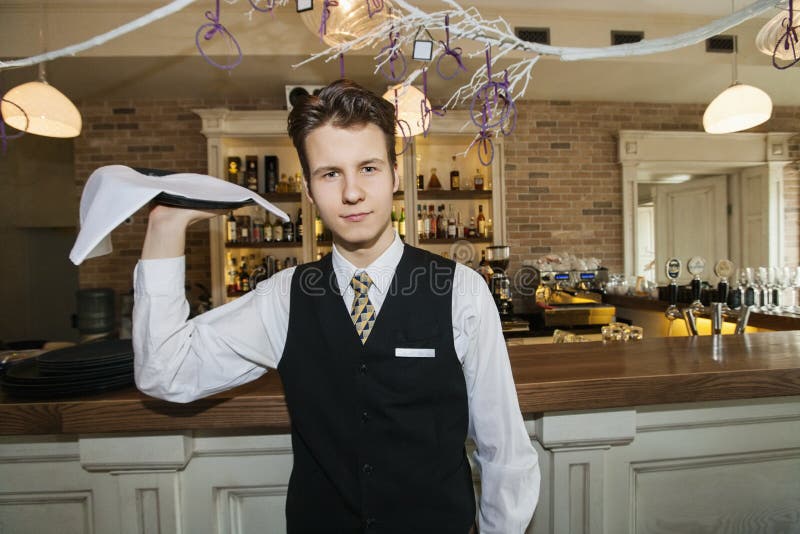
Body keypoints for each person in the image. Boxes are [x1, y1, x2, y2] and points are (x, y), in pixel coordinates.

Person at [133, 79, 540, 533]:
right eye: (330, 174)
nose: (351, 193)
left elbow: (504, 447)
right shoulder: (283, 298)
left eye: (368, 168)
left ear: (394, 175)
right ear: (308, 190)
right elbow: (163, 372)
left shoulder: (462, 292)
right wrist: (165, 226)